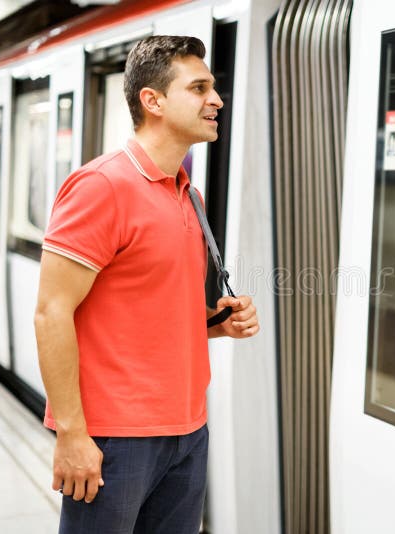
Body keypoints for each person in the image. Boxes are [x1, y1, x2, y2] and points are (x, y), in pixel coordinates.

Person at [34, 35, 259, 533]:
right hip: (116, 437)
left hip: (187, 429)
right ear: (152, 101)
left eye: (214, 88)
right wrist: (72, 433)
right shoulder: (101, 187)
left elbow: (144, 309)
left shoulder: (189, 195)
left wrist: (216, 324)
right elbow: (52, 311)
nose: (216, 100)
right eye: (199, 88)